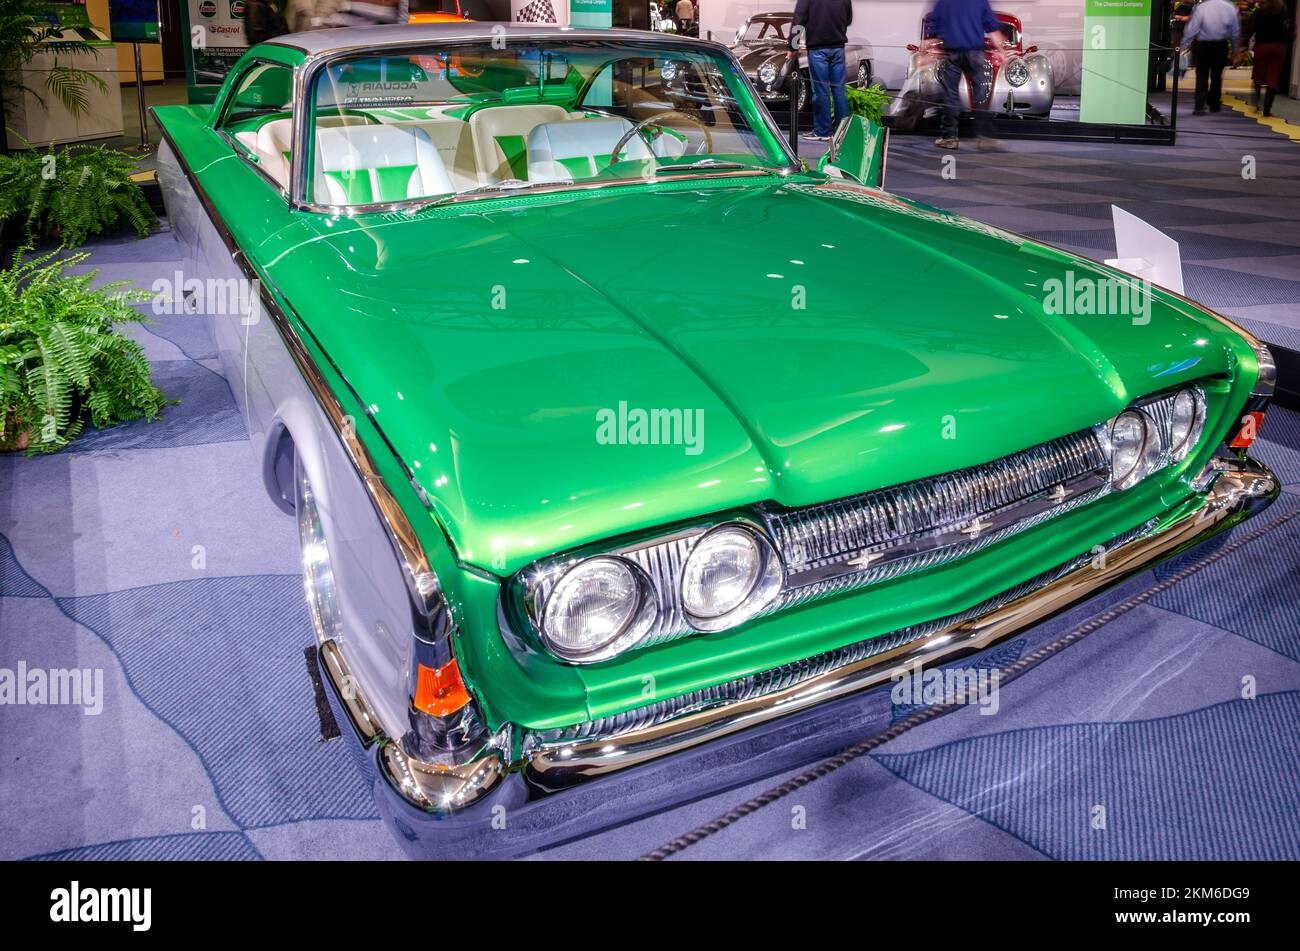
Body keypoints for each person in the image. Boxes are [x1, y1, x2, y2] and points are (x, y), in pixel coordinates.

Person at [928, 0, 1009, 150]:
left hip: (952, 52)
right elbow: (992, 28)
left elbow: (933, 26)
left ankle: (950, 138)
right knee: (980, 94)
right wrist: (1002, 51)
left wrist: (930, 49)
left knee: (950, 95)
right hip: (975, 53)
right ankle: (984, 137)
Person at [791, 0, 853, 142]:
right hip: (838, 48)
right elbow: (848, 19)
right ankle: (842, 132)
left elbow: (799, 20)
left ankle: (823, 131)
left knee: (821, 91)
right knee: (839, 90)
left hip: (818, 49)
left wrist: (793, 47)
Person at [1182, 0, 1241, 113]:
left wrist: (1184, 44)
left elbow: (1192, 29)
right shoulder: (1230, 8)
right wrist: (1235, 49)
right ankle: (1214, 104)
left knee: (1201, 75)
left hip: (1203, 45)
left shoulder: (1202, 7)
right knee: (1217, 76)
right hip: (1220, 45)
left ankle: (1199, 105)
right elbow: (1235, 32)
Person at [1240, 0, 1292, 116]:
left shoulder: (1259, 11)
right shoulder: (1283, 11)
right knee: (1272, 78)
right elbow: (1290, 29)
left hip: (1261, 46)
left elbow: (1250, 29)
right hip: (1278, 47)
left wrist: (1244, 44)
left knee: (1258, 76)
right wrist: (1286, 42)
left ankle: (1255, 104)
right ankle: (1267, 109)